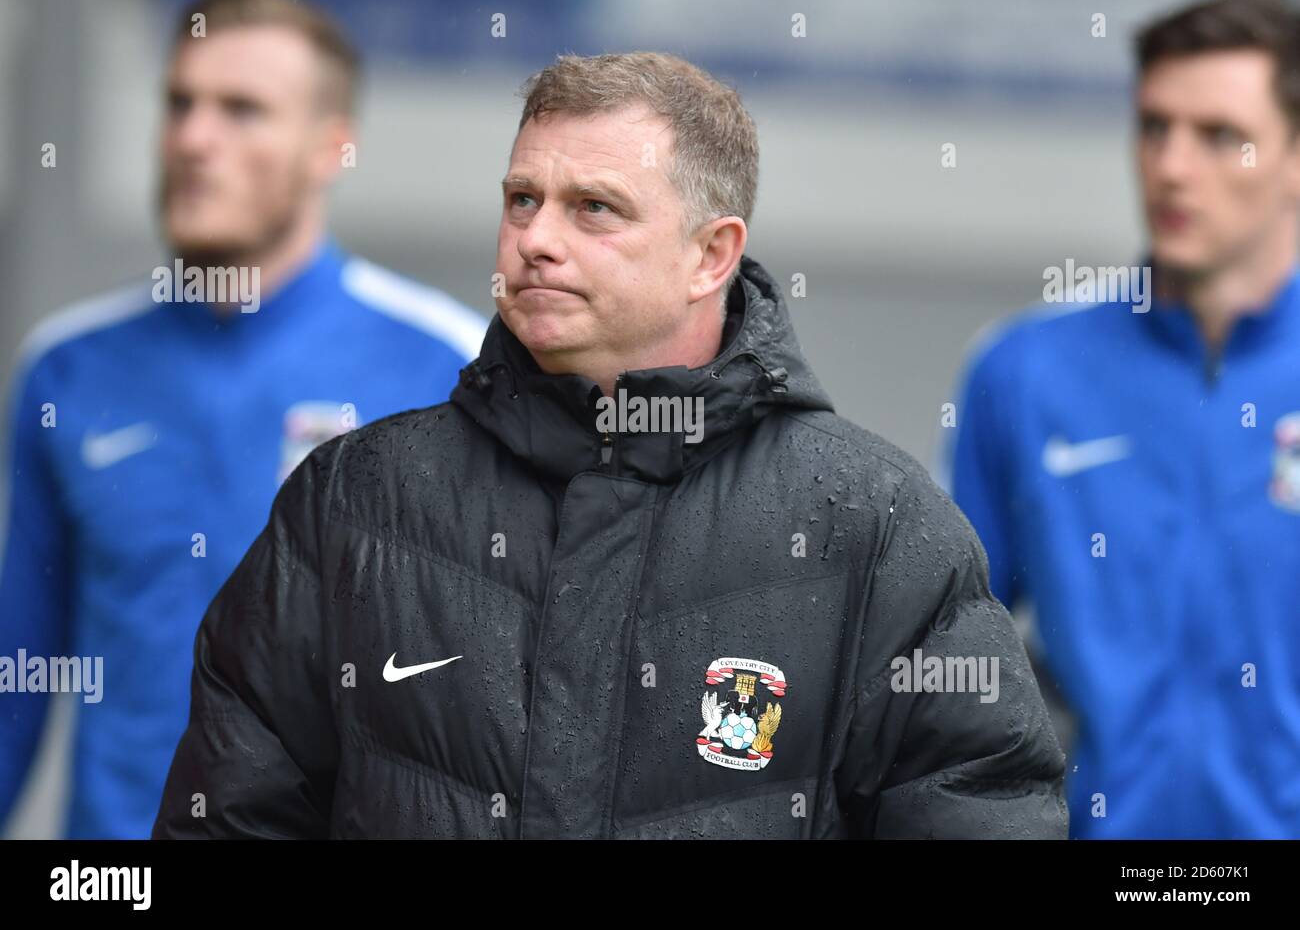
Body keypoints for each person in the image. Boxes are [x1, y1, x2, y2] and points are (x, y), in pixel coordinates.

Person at [153, 50, 1065, 840]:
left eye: (593, 207)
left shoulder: (878, 529)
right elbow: (231, 815)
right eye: (522, 200)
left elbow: (981, 808)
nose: (536, 239)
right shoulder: (351, 502)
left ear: (712, 254)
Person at [0, 0, 487, 839]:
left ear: (332, 146)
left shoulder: (445, 364)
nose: (193, 140)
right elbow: (19, 679)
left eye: (242, 110)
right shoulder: (68, 368)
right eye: (180, 103)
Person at [944, 0, 1300, 838]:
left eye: (1220, 136)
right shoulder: (1024, 372)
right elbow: (945, 664)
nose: (1173, 167)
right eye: (1154, 128)